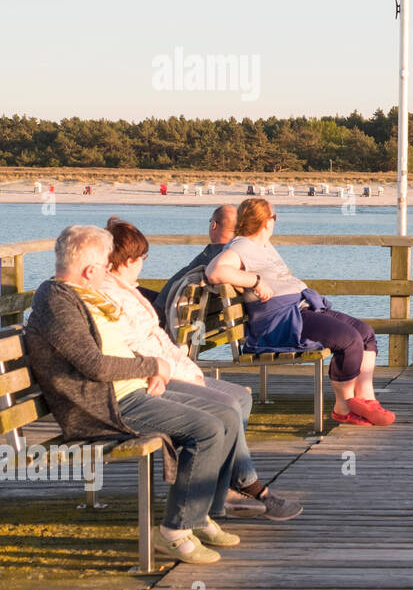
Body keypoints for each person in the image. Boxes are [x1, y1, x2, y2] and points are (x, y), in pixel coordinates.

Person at [24, 225, 241, 564]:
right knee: (208, 429)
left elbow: (117, 350)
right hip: (104, 405)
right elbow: (94, 365)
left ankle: (197, 516)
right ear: (90, 270)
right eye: (104, 266)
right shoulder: (58, 302)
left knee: (226, 415)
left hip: (128, 389)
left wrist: (149, 369)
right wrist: (151, 365)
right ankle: (174, 531)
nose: (109, 271)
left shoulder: (83, 294)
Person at [101, 217, 302, 520]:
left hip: (169, 370)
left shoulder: (129, 290)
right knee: (227, 408)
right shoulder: (113, 296)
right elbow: (137, 349)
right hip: (146, 384)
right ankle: (247, 489)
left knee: (241, 397)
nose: (143, 264)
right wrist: (176, 370)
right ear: (128, 260)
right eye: (142, 259)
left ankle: (222, 496)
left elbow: (159, 343)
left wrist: (186, 367)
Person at [205, 198, 394, 427]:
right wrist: (254, 281)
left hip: (299, 306)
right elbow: (214, 271)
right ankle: (343, 407)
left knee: (365, 333)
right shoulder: (241, 246)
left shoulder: (261, 245)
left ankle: (366, 399)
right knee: (348, 340)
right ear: (266, 222)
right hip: (282, 320)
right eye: (274, 217)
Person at [153, 204, 237, 323]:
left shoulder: (217, 257)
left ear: (214, 225)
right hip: (177, 309)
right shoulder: (229, 255)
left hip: (162, 313)